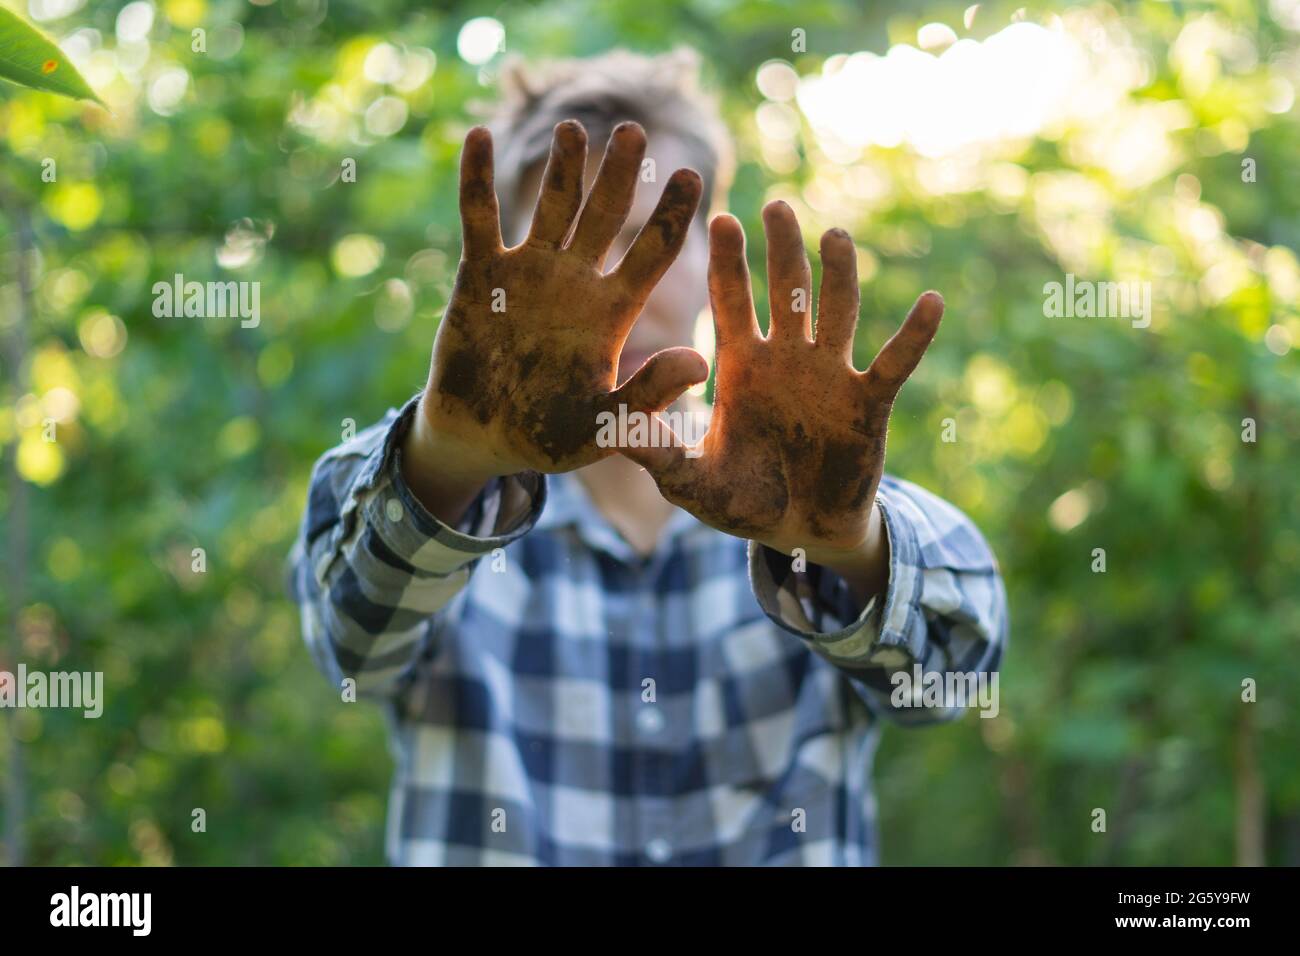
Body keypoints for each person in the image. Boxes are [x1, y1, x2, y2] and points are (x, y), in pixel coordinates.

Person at [289, 48, 1007, 866]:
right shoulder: (441, 497)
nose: (611, 283)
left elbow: (958, 681)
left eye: (648, 239)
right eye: (573, 246)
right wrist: (445, 460)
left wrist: (849, 547)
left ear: (709, 257)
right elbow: (347, 639)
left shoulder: (808, 496)